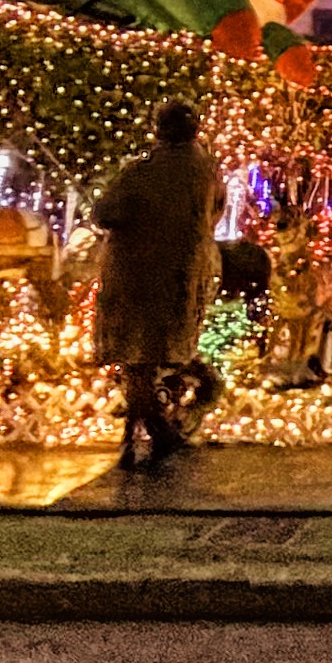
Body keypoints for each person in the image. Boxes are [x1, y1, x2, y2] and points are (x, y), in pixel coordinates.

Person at [92, 101, 226, 467]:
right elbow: (216, 213)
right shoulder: (206, 172)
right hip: (185, 275)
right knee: (152, 359)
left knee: (136, 361)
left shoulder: (145, 172)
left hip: (139, 275)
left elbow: (105, 213)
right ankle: (138, 435)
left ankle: (159, 432)